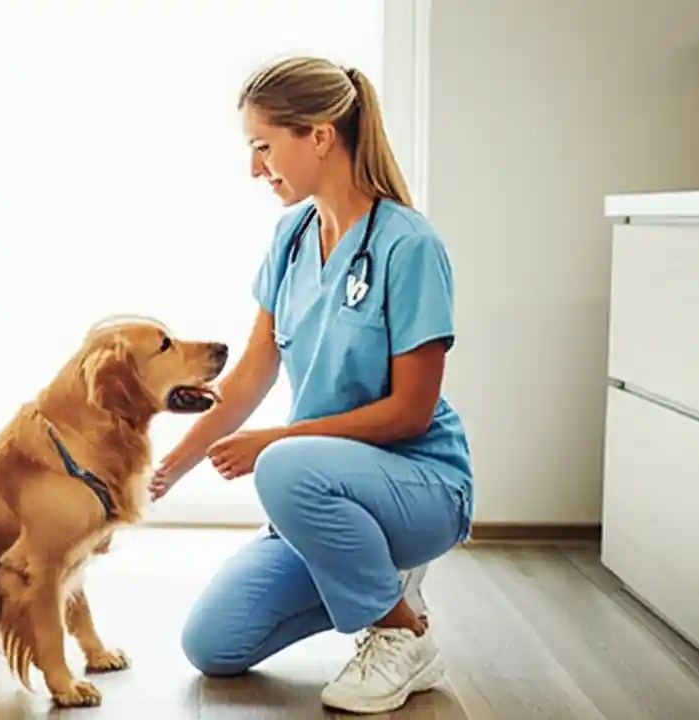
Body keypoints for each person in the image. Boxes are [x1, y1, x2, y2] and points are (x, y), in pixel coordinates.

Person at [148, 56, 474, 714]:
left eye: (263, 147)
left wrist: (278, 443)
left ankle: (401, 633)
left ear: (320, 136)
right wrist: (168, 470)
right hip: (319, 487)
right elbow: (246, 381)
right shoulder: (292, 237)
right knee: (212, 643)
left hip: (420, 486)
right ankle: (380, 578)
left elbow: (411, 412)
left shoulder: (409, 247)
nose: (254, 168)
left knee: (285, 464)